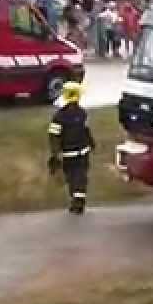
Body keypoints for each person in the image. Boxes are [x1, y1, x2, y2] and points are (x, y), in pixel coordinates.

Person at [47, 81, 95, 214]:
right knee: (81, 176)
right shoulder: (83, 113)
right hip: (83, 152)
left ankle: (76, 200)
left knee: (72, 177)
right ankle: (79, 200)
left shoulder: (58, 116)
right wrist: (92, 144)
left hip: (68, 154)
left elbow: (54, 136)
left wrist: (55, 154)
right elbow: (87, 131)